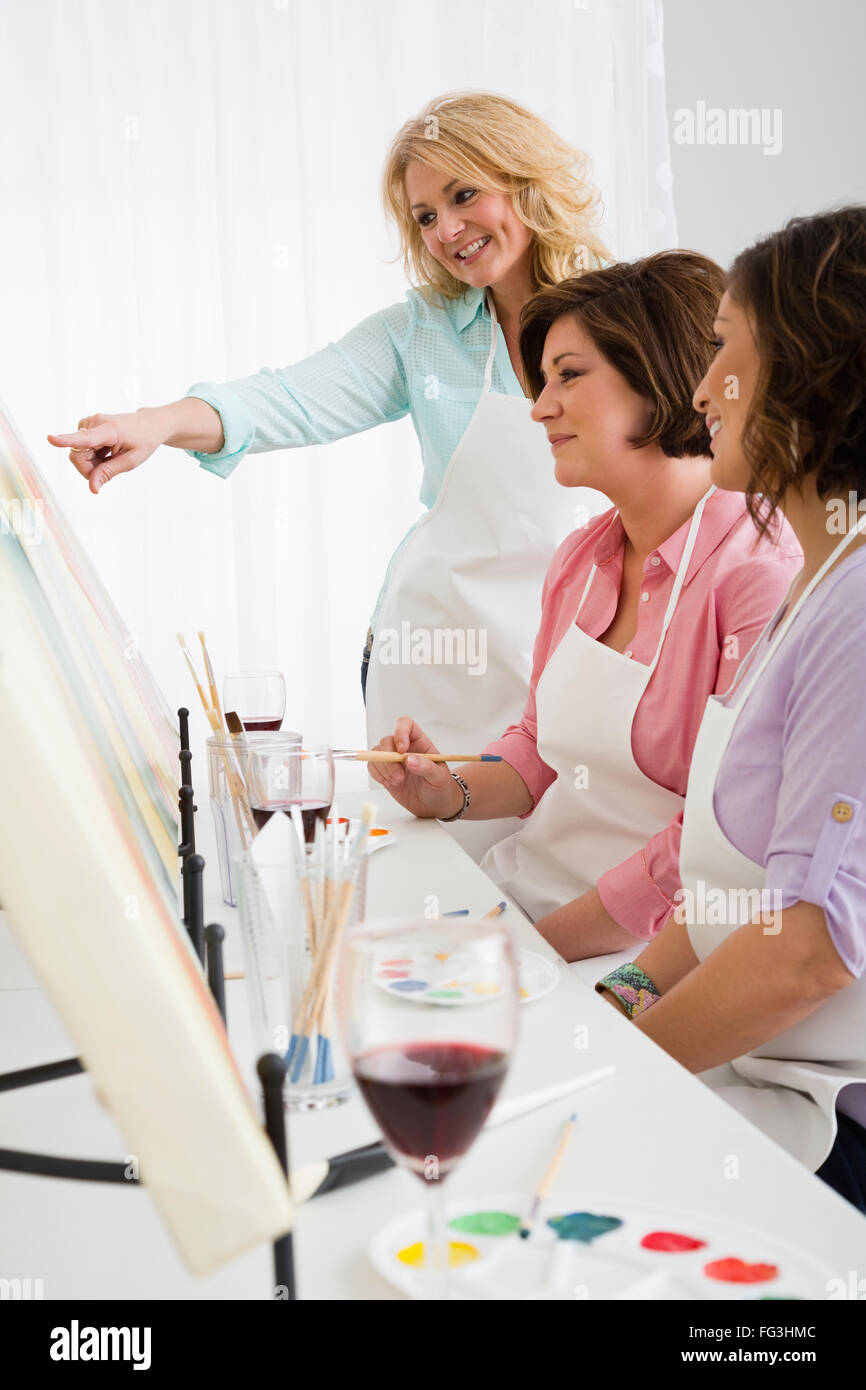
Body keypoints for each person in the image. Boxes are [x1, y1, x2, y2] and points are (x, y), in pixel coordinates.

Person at [47, 90, 610, 861]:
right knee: (445, 884)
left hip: (570, 656)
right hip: (436, 657)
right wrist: (157, 423)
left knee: (571, 877)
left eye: (463, 194)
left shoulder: (622, 319)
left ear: (523, 179)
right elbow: (292, 396)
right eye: (423, 216)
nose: (446, 230)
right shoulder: (424, 332)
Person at [369, 252, 802, 956]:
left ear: (659, 374)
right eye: (542, 381)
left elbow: (714, 840)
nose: (539, 408)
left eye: (568, 375)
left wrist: (532, 950)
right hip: (522, 903)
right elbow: (539, 750)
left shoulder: (758, 573)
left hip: (644, 957)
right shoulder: (580, 559)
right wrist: (448, 791)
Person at [596, 207, 866, 1211]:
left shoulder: (857, 601)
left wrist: (610, 1083)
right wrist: (608, 1008)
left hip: (823, 1130)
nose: (701, 388)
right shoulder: (816, 574)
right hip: (754, 1077)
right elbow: (725, 887)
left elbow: (803, 951)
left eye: (724, 355)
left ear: (816, 370)